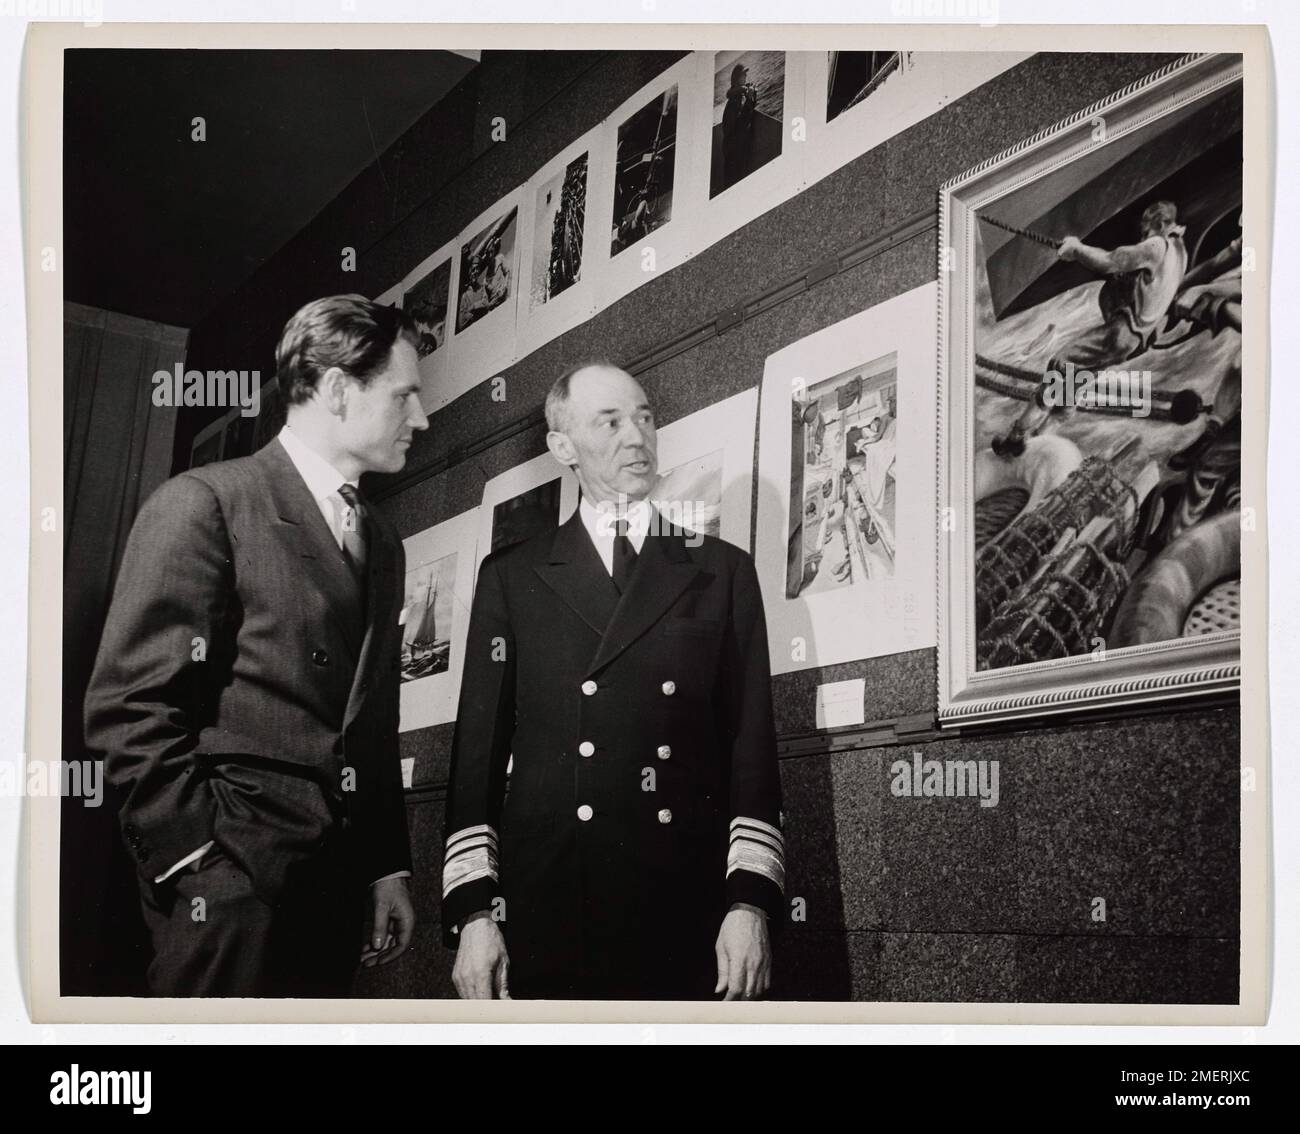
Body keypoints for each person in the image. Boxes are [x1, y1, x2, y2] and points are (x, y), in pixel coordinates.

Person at [85, 295, 427, 997]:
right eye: (405, 396)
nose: (420, 418)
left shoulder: (383, 543)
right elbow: (129, 706)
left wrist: (385, 868)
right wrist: (199, 864)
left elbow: (371, 724)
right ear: (336, 390)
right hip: (228, 891)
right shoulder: (205, 501)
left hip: (335, 897)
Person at [442, 362, 785, 1000]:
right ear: (562, 446)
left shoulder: (720, 572)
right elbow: (476, 761)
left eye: (646, 417)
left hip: (688, 913)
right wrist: (473, 914)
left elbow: (752, 751)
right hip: (549, 912)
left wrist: (751, 905)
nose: (638, 436)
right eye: (612, 421)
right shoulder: (512, 578)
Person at [994, 200, 1188, 456]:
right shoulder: (1180, 252)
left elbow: (1110, 261)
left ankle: (1017, 437)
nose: (1143, 235)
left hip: (1122, 331)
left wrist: (1076, 249)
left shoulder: (1157, 245)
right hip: (1136, 340)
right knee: (1076, 381)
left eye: (1146, 228)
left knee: (1060, 365)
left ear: (1160, 224)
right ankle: (1038, 443)